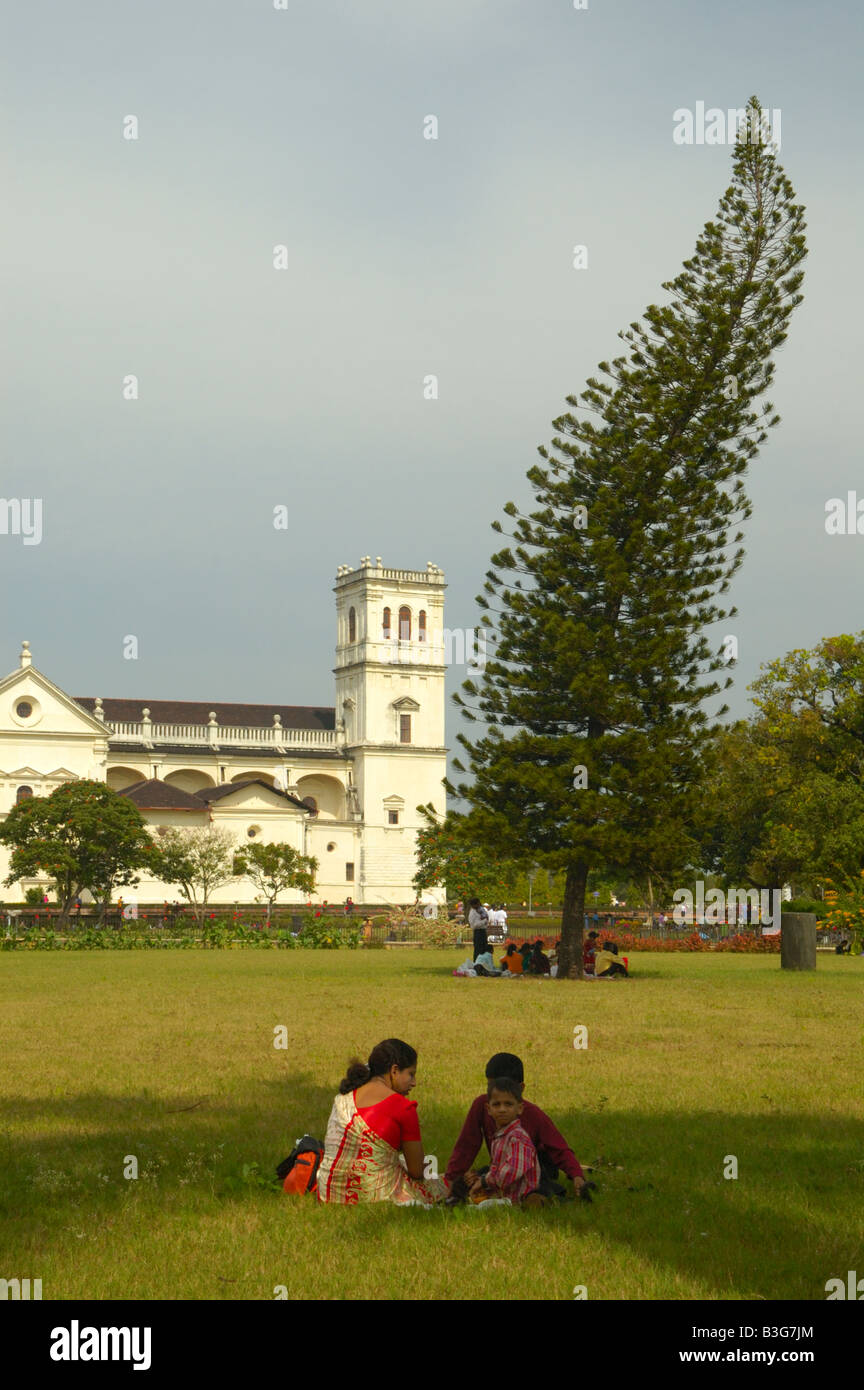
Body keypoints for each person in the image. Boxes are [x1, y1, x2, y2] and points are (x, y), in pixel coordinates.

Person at [317, 1038, 447, 1205]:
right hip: (372, 1196)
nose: (414, 1082)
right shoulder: (404, 1108)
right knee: (439, 1185)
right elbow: (417, 1172)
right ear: (394, 1071)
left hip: (329, 1192)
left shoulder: (345, 1097)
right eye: (411, 1074)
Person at [445, 1052, 590, 1199]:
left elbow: (558, 1148)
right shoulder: (481, 1106)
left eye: (507, 1102)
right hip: (503, 1167)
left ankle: (540, 1198)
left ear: (520, 1089)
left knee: (538, 1187)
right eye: (492, 1088)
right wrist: (452, 1178)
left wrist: (577, 1175)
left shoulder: (533, 1114)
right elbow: (467, 1144)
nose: (501, 1108)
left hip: (534, 1168)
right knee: (471, 1179)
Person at [466, 1077, 541, 1205]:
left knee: (481, 1207)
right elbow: (497, 1170)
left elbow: (512, 1171)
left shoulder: (518, 1137)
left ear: (520, 1108)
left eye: (508, 1104)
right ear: (488, 1109)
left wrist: (485, 1181)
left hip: (520, 1198)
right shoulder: (500, 1137)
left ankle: (536, 1203)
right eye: (496, 1104)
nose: (502, 1109)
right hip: (504, 1195)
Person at [467, 898, 489, 962]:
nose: (479, 905)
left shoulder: (480, 910)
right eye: (477, 904)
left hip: (483, 931)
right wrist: (484, 921)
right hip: (478, 932)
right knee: (478, 950)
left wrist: (486, 920)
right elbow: (474, 925)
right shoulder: (472, 913)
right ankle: (477, 964)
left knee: (484, 949)